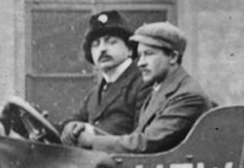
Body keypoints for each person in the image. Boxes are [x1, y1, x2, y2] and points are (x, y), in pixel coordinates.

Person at [67, 22, 213, 154]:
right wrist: (93, 132)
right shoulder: (160, 89)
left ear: (173, 57)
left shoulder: (187, 96)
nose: (140, 63)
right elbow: (136, 137)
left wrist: (92, 140)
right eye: (140, 55)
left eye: (148, 54)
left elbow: (146, 143)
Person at [59, 10, 152, 145]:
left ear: (130, 49)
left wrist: (92, 133)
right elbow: (73, 122)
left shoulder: (143, 83)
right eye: (96, 44)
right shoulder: (95, 93)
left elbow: (140, 141)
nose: (102, 49)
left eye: (111, 42)